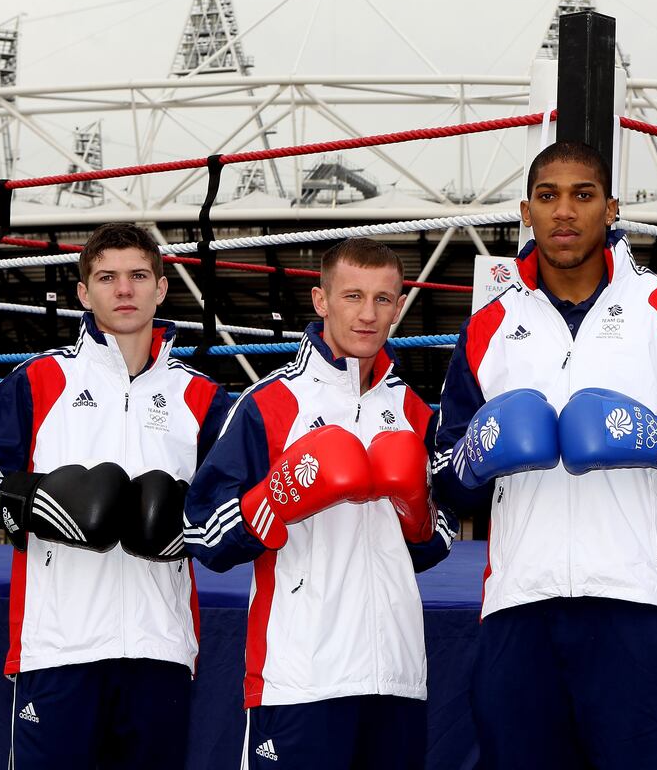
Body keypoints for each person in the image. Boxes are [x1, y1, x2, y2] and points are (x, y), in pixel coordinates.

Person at [431, 141, 657, 769]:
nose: (565, 211)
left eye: (582, 195)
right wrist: (473, 460)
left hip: (636, 604)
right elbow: (443, 474)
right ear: (525, 211)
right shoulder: (487, 329)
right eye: (549, 196)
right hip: (518, 608)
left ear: (610, 208)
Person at [183, 237, 456, 770]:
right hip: (300, 676)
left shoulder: (416, 412)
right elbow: (203, 535)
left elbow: (438, 539)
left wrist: (417, 516)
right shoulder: (270, 403)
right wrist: (276, 496)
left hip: (396, 673)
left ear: (399, 306)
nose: (368, 314)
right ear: (321, 300)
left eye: (383, 299)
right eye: (353, 296)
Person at [0, 222, 232, 768]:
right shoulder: (36, 383)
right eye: (107, 277)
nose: (124, 290)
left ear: (161, 287)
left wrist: (188, 527)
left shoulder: (203, 399)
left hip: (160, 648)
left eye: (138, 276)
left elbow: (235, 509)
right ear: (84, 292)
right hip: (57, 647)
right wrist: (38, 502)